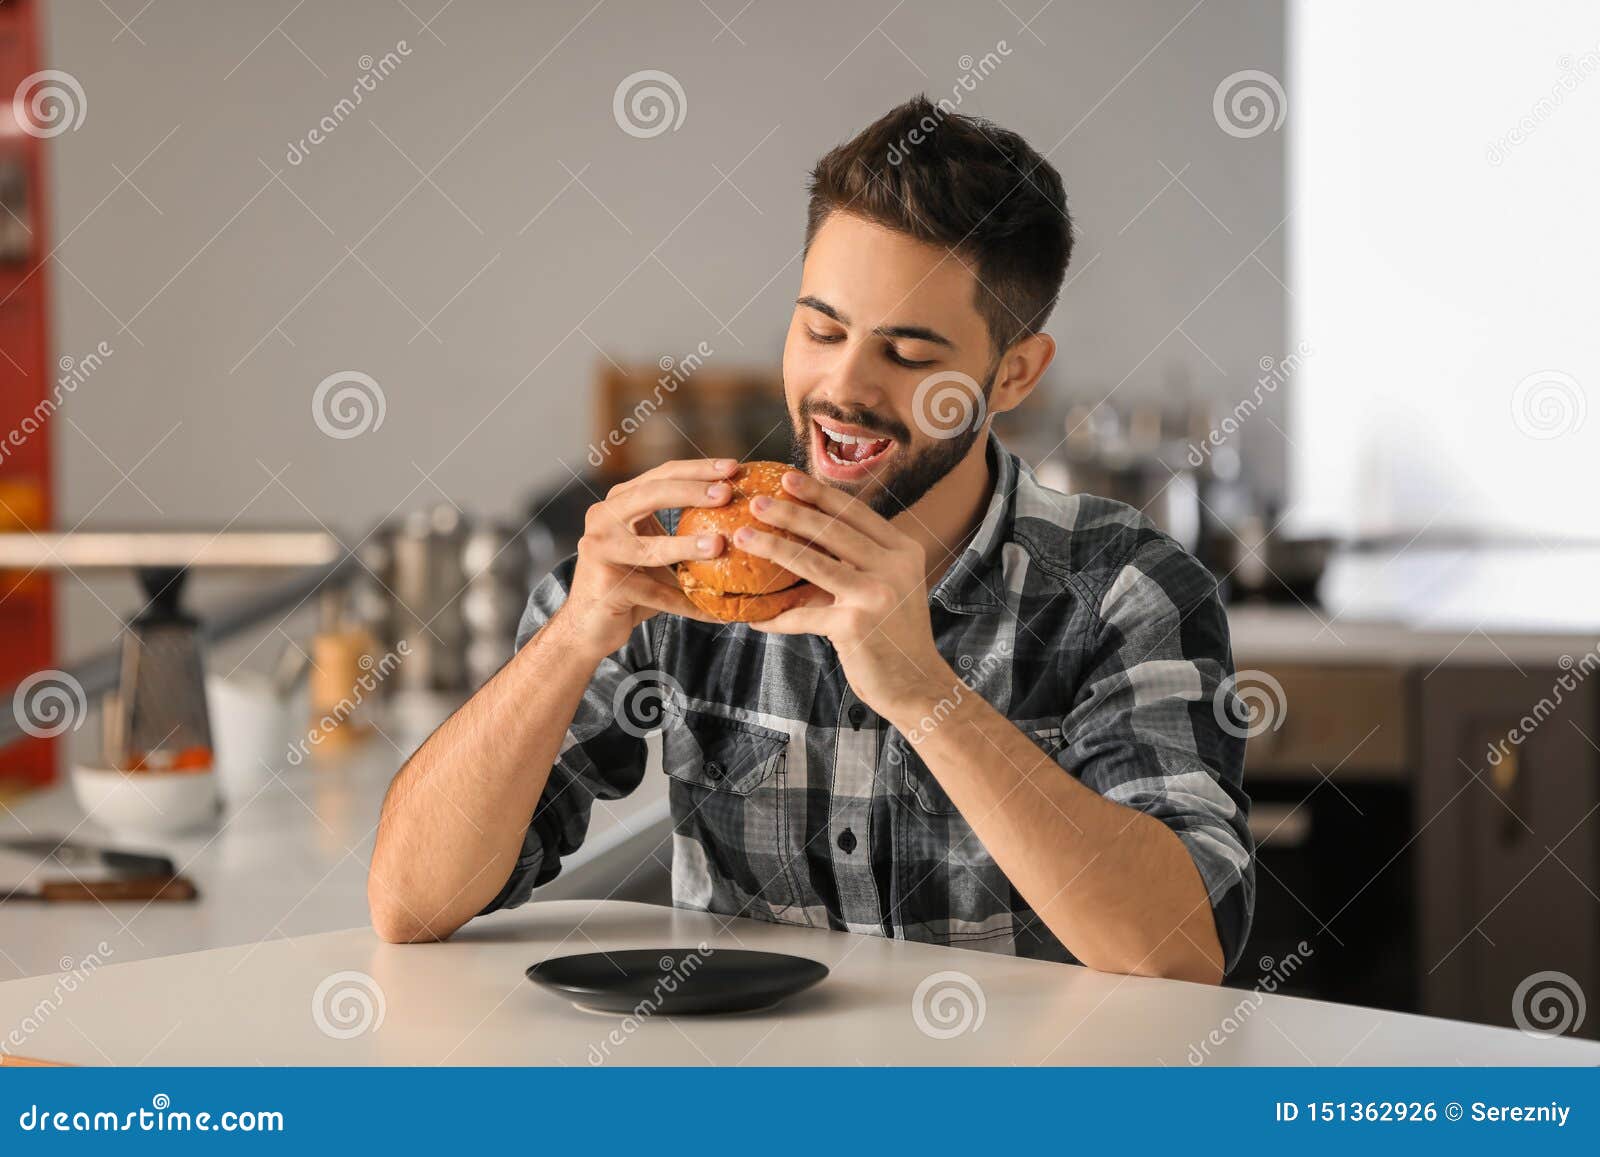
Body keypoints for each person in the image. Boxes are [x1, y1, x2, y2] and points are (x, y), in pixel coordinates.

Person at [368, 96, 1254, 983]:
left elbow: (1179, 952)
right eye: (821, 329)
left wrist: (924, 694)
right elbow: (411, 904)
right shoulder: (684, 567)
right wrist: (573, 636)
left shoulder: (1123, 588)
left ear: (1013, 373)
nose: (843, 385)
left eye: (907, 356)